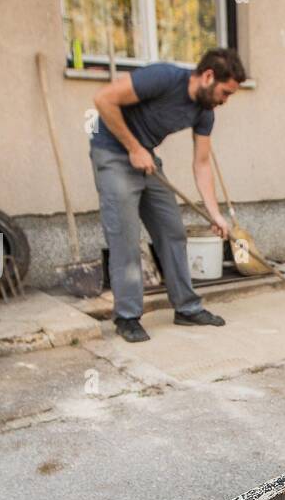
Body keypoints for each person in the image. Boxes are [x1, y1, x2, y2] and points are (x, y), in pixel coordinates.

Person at [90, 47, 246, 342]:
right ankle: (127, 317)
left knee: (172, 229)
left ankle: (186, 307)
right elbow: (103, 99)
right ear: (208, 76)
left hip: (146, 157)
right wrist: (134, 148)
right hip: (112, 151)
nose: (225, 101)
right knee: (124, 236)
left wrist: (215, 215)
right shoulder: (162, 77)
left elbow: (202, 164)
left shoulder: (205, 112)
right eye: (225, 93)